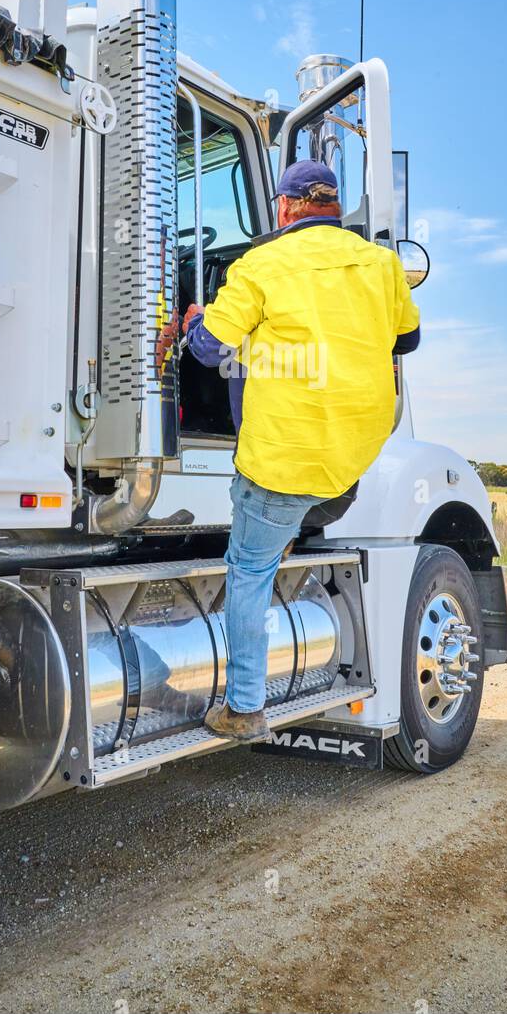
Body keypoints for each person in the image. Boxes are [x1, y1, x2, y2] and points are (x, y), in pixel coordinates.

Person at [183, 159, 421, 742]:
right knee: (302, 508)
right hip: (348, 467)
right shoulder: (383, 265)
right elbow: (408, 339)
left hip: (281, 463)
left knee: (248, 570)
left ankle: (243, 708)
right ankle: (292, 527)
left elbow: (211, 351)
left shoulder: (259, 265)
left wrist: (195, 321)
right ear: (334, 209)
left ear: (286, 209)